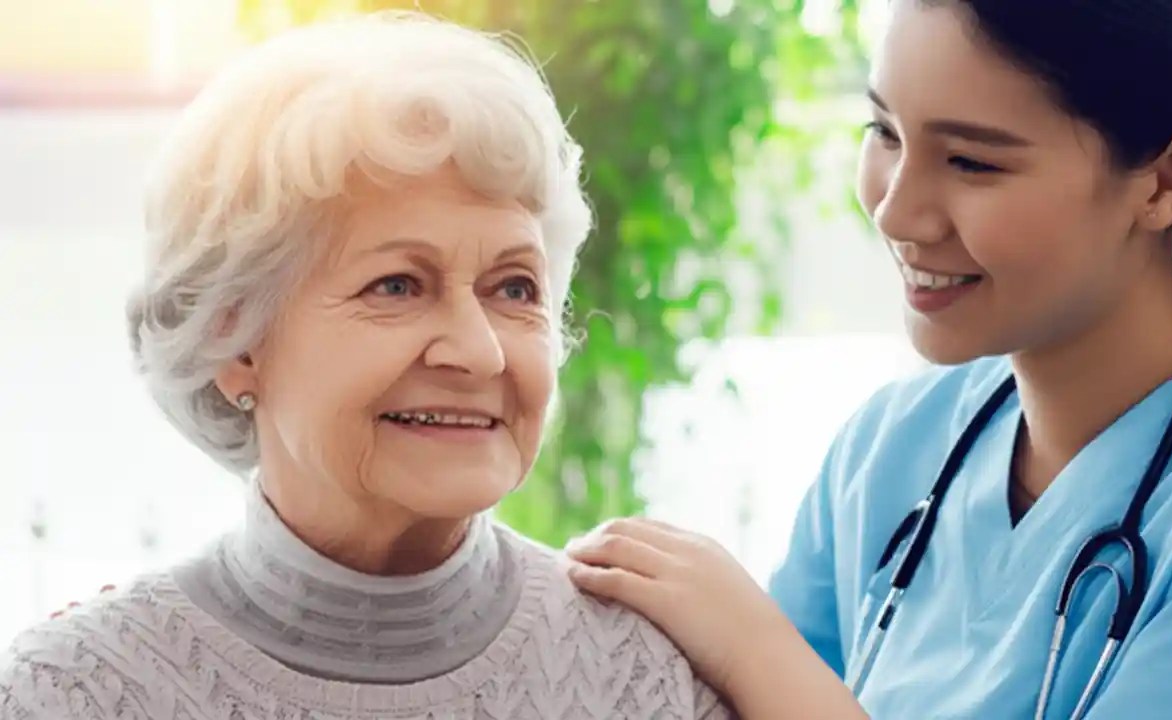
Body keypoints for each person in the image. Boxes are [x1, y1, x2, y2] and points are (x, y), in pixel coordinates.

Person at [0, 12, 730, 720]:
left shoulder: (648, 677)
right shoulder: (72, 695)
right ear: (235, 341)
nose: (479, 351)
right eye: (398, 286)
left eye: (515, 288)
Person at [565, 0, 1172, 718]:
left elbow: (775, 683)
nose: (894, 213)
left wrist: (751, 644)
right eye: (884, 132)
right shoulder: (890, 447)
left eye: (971, 162)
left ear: (1170, 179)